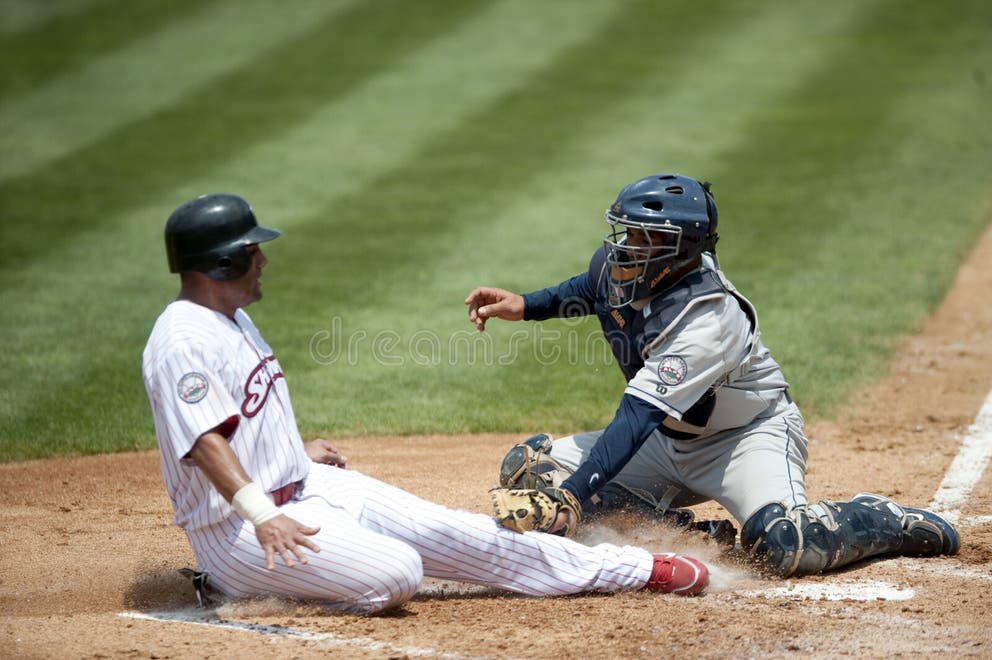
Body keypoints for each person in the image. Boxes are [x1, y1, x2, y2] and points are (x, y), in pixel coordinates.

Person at [141, 193, 710, 614]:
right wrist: (265, 517)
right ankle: (232, 583)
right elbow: (203, 442)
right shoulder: (182, 341)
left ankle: (638, 570)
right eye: (251, 252)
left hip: (307, 485)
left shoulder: (231, 318)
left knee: (459, 534)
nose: (262, 261)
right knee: (397, 573)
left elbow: (243, 410)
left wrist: (290, 449)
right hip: (240, 529)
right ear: (219, 264)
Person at [464, 173, 961, 577]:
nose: (626, 248)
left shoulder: (707, 319)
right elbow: (590, 286)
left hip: (743, 440)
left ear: (680, 250)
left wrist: (572, 497)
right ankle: (685, 532)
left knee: (784, 543)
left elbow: (635, 417)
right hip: (666, 440)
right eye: (626, 232)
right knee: (531, 468)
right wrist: (525, 305)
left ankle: (882, 519)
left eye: (643, 237)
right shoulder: (623, 268)